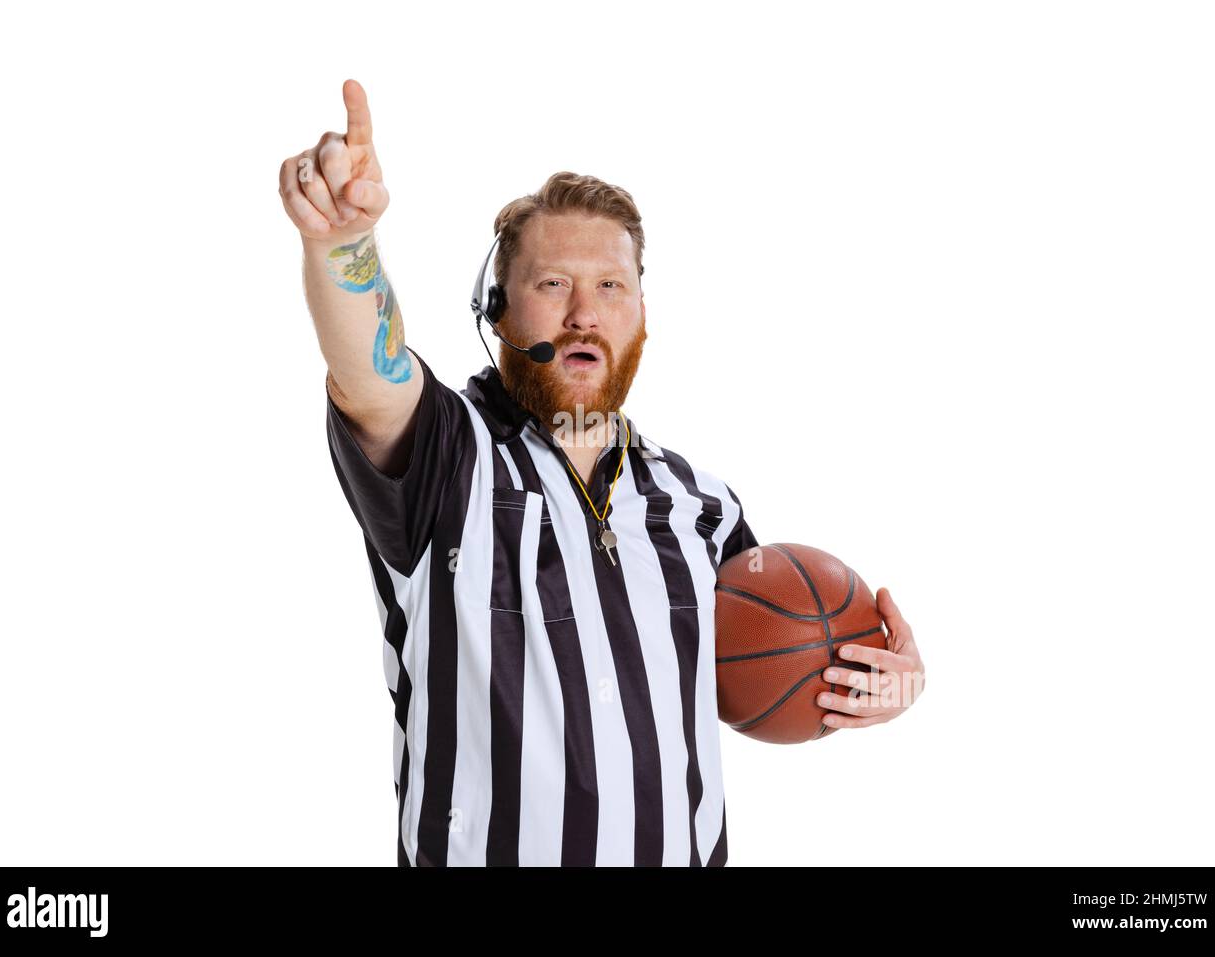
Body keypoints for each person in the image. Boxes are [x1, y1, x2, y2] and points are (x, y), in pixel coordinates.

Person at [278, 80, 925, 867]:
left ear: (642, 316)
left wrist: (879, 680)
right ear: (497, 310)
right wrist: (343, 243)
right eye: (553, 285)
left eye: (611, 287)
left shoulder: (703, 507)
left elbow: (774, 659)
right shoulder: (448, 460)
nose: (585, 312)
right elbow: (370, 375)